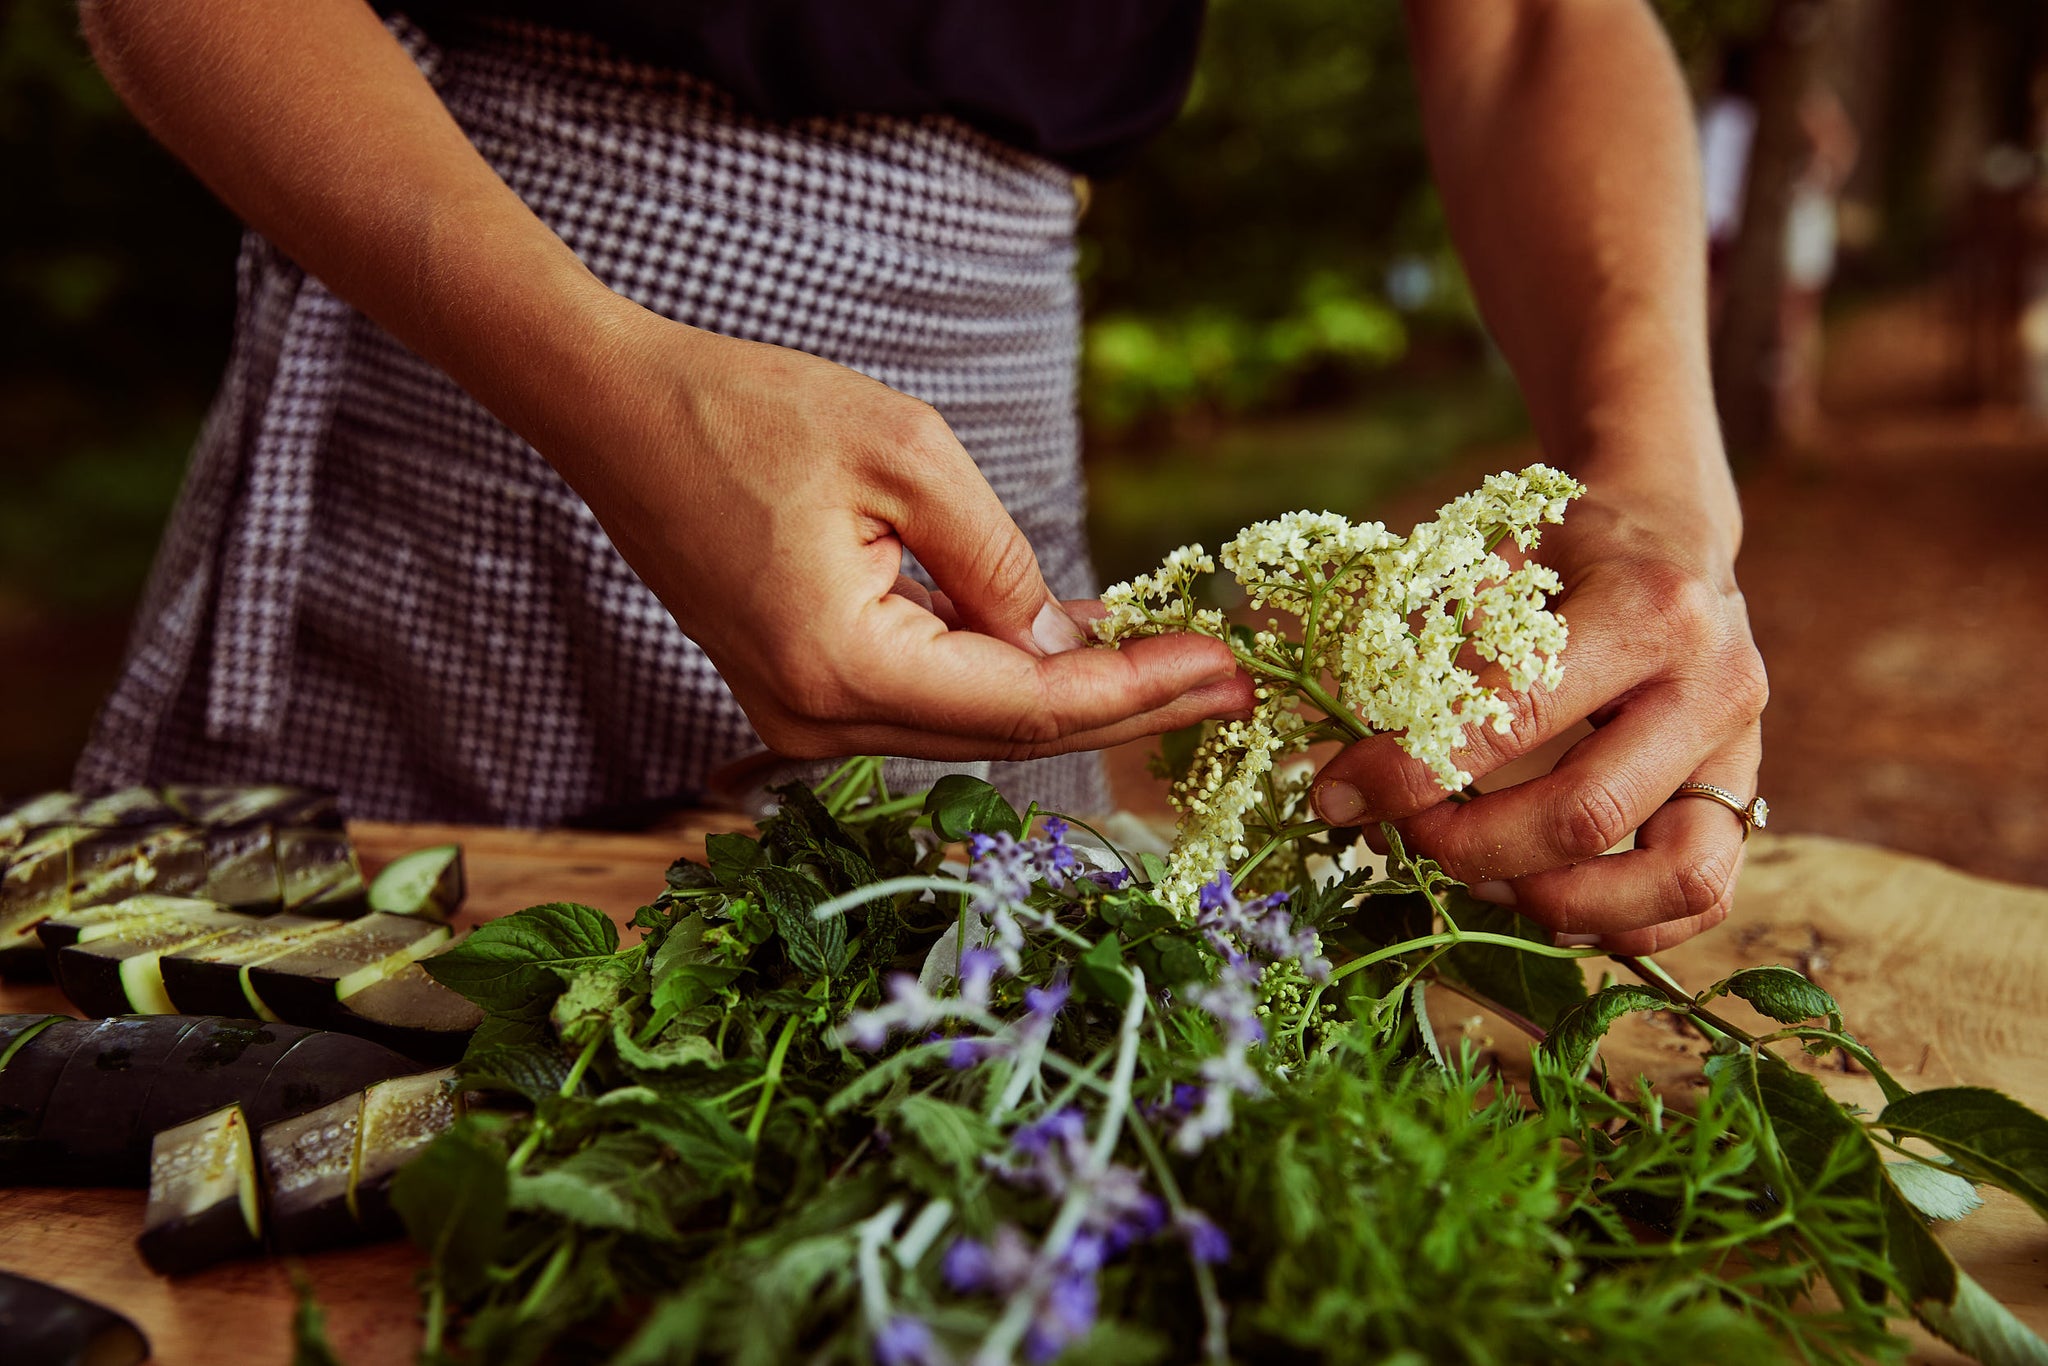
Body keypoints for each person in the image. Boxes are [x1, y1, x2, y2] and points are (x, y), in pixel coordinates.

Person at [74, 0, 1767, 956]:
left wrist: (1661, 483)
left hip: (982, 415)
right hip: (468, 346)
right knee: (361, 1054)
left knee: (1006, 1064)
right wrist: (600, 377)